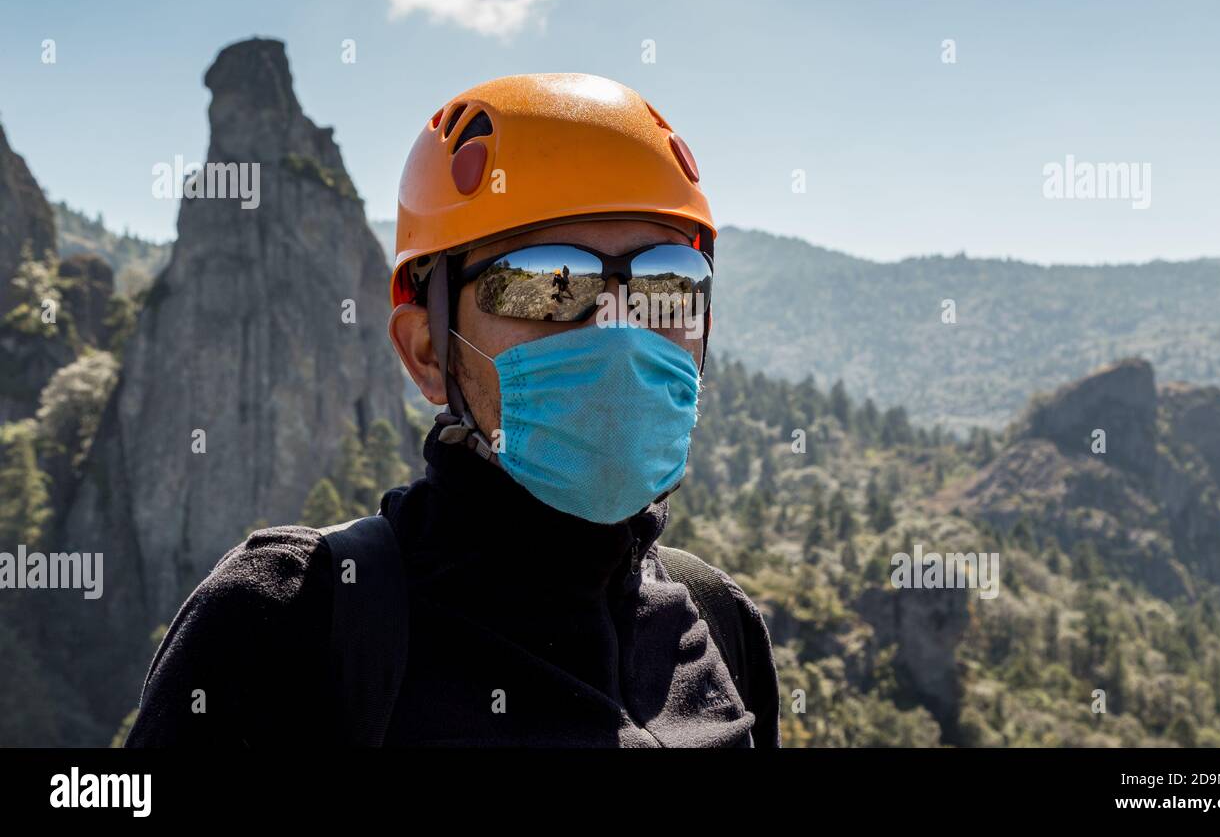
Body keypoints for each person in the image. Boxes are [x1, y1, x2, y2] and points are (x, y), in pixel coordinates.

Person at [125, 73, 781, 747]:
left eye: (667, 282)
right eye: (545, 284)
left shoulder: (721, 622)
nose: (618, 330)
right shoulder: (288, 622)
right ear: (427, 353)